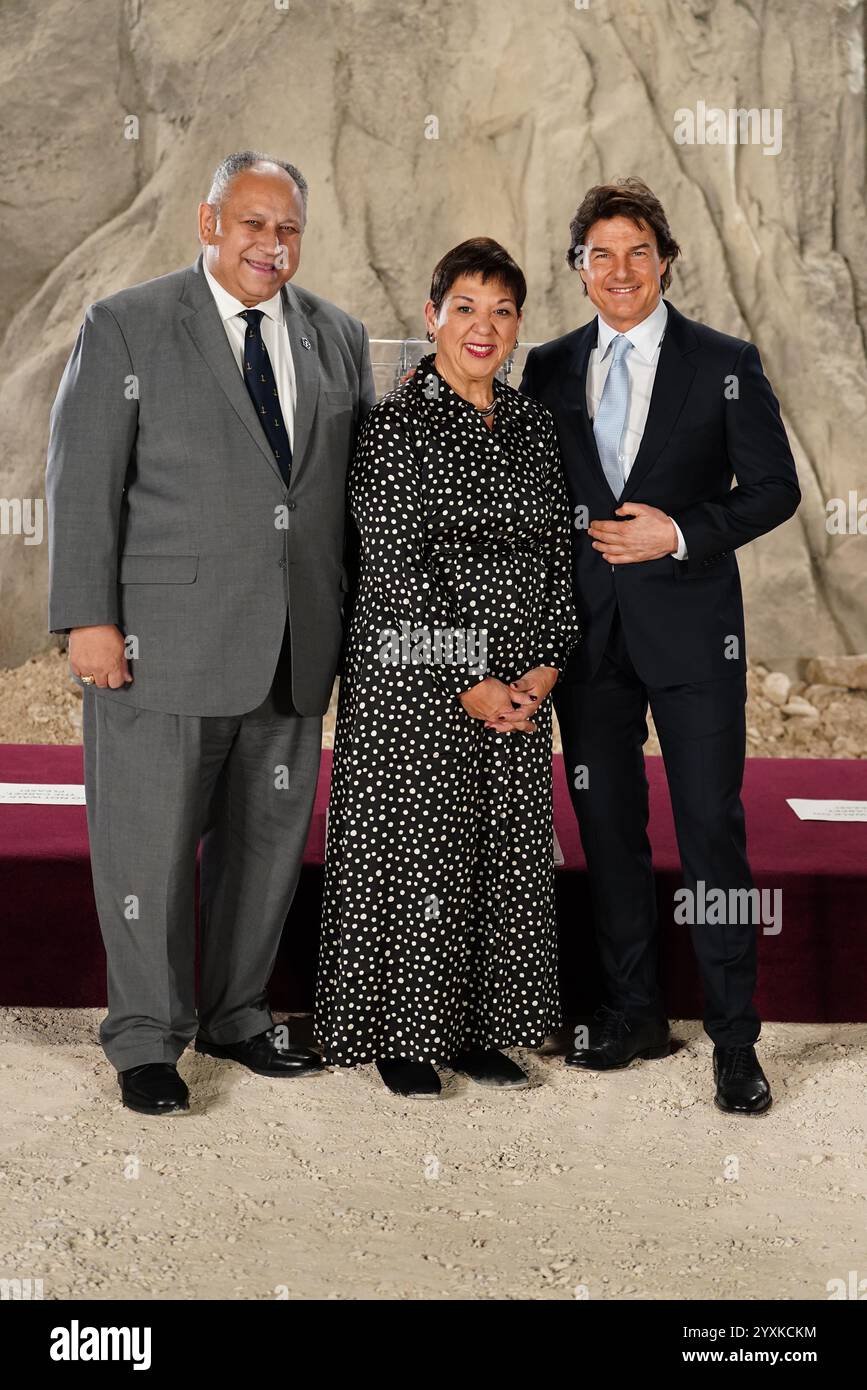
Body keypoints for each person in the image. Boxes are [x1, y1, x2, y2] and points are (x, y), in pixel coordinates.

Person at [46, 150, 376, 1116]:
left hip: (293, 645)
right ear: (209, 223)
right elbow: (83, 480)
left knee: (265, 846)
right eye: (252, 224)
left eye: (287, 230)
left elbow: (340, 495)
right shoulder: (127, 324)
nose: (271, 245)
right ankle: (146, 1038)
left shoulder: (336, 336)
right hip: (160, 642)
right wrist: (89, 619)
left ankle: (237, 1016)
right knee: (146, 850)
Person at [519, 177, 801, 1115]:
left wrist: (676, 531)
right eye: (600, 253)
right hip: (588, 643)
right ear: (579, 269)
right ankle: (633, 1011)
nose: (620, 269)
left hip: (692, 642)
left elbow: (772, 490)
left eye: (637, 250)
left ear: (665, 259)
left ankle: (733, 1038)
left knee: (710, 830)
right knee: (608, 831)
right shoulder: (550, 367)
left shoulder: (723, 360)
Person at [314, 238, 581, 1098]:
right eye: (465, 307)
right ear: (432, 317)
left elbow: (556, 559)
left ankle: (478, 1031)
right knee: (414, 851)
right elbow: (396, 566)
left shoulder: (535, 426)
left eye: (501, 310)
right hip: (414, 678)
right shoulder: (393, 426)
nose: (483, 326)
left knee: (498, 853)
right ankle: (400, 1032)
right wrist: (468, 679)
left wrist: (544, 666)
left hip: (516, 685)